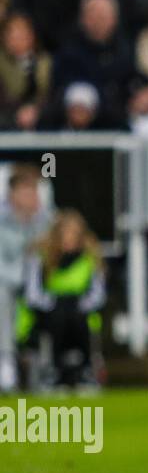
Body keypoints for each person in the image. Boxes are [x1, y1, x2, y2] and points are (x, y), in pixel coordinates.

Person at [23, 208, 106, 391]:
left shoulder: (89, 259)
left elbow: (98, 294)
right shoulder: (42, 258)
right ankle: (53, 370)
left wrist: (77, 303)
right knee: (59, 317)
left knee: (76, 316)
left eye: (73, 234)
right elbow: (32, 293)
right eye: (65, 233)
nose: (69, 239)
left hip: (80, 311)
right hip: (49, 312)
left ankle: (85, 369)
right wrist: (54, 303)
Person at [0, 165, 50, 391]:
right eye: (27, 191)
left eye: (34, 191)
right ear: (13, 194)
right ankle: (6, 360)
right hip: (8, 281)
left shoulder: (47, 220)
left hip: (40, 282)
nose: (32, 197)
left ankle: (50, 363)